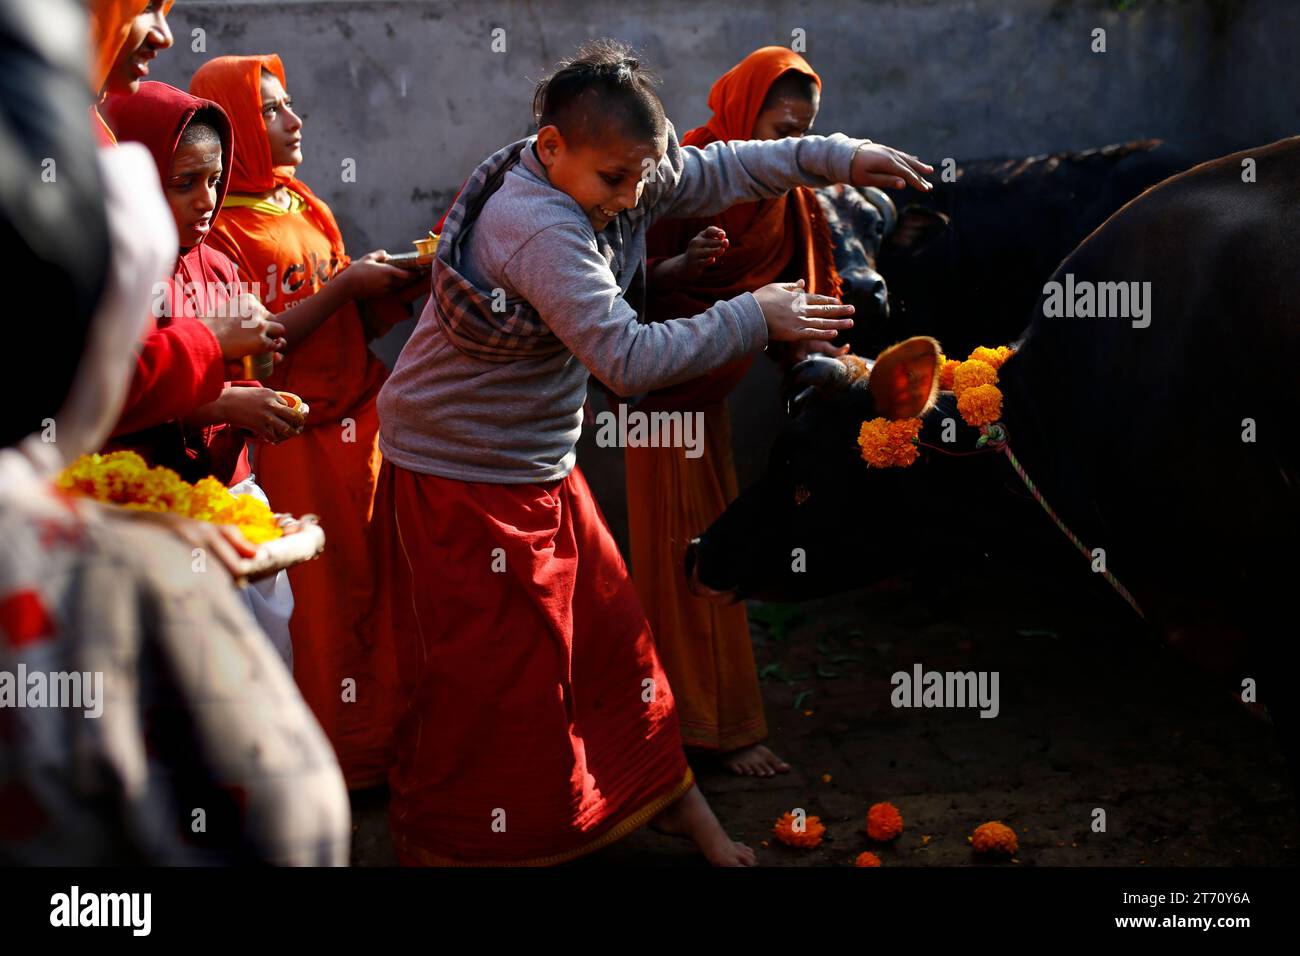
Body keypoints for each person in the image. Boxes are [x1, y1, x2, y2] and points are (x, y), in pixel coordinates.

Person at [374, 38, 932, 866]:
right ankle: (478, 839)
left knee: (616, 646)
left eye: (642, 177)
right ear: (552, 147)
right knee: (498, 682)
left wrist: (839, 157)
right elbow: (626, 361)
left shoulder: (621, 174)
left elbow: (728, 168)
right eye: (615, 182)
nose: (631, 199)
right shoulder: (533, 224)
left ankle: (666, 802)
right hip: (457, 478)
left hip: (540, 467)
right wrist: (753, 314)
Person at [0, 0, 349, 864]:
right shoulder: (114, 587)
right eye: (145, 9)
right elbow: (290, 822)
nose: (162, 34)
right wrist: (211, 372)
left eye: (213, 181)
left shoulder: (226, 251)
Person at [190, 54, 425, 789]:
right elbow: (250, 343)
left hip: (358, 428)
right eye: (270, 111)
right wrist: (345, 288)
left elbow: (333, 291)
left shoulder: (298, 202)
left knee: (373, 597)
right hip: (289, 438)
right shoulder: (216, 231)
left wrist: (381, 282)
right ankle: (333, 766)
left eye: (289, 106)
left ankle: (383, 750)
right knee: (316, 613)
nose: (295, 122)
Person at [628, 47, 844, 777]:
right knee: (677, 557)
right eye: (779, 127)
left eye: (803, 131)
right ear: (743, 110)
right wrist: (677, 271)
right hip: (659, 396)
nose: (791, 147)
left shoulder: (794, 193)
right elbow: (612, 291)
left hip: (713, 396)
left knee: (716, 548)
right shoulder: (682, 170)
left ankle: (714, 720)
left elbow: (806, 292)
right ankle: (686, 734)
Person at [104, 80, 303, 668]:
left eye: (215, 180)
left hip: (225, 494)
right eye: (183, 183)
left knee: (256, 674)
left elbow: (228, 365)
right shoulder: (112, 274)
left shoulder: (214, 262)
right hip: (139, 513)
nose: (206, 201)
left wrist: (255, 400)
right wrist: (217, 405)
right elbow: (107, 393)